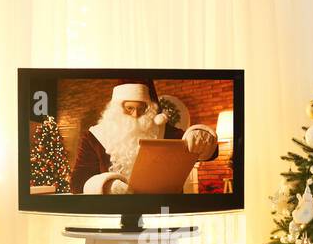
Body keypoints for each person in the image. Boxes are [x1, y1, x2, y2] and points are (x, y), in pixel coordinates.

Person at [70, 80, 217, 194]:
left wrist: (201, 136)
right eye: (130, 108)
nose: (136, 115)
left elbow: (207, 151)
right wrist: (107, 186)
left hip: (160, 210)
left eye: (141, 109)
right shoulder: (95, 136)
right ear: (117, 108)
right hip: (113, 212)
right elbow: (77, 182)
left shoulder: (162, 130)